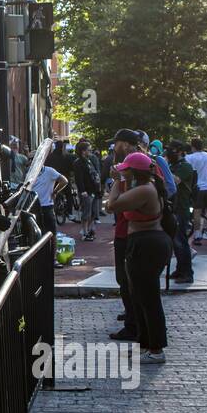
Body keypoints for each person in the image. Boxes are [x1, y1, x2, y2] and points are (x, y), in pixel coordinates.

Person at [105, 151, 171, 362]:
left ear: (134, 173)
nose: (123, 175)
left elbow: (111, 205)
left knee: (148, 297)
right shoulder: (144, 187)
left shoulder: (144, 189)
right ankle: (145, 344)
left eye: (127, 172)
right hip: (142, 242)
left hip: (147, 243)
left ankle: (156, 349)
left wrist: (117, 181)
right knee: (139, 297)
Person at [106, 129, 143, 340]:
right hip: (126, 229)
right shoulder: (132, 165)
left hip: (129, 231)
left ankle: (134, 325)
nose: (114, 148)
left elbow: (114, 203)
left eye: (117, 143)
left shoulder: (133, 165)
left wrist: (117, 182)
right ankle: (133, 321)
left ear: (127, 144)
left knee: (128, 280)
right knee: (127, 280)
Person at [166, 141, 197, 282]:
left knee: (180, 241)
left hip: (181, 208)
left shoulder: (185, 166)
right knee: (175, 241)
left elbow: (174, 181)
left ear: (179, 151)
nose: (168, 153)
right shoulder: (172, 166)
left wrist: (163, 168)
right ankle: (180, 269)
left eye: (171, 150)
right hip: (173, 207)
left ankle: (187, 273)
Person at [31, 157, 67, 240]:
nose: (31, 161)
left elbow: (64, 181)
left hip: (46, 206)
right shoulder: (29, 172)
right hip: (33, 207)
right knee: (36, 236)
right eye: (30, 159)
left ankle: (52, 252)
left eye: (32, 159)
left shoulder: (49, 171)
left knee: (51, 234)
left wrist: (55, 191)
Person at [73, 139, 102, 242]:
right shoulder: (78, 163)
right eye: (88, 150)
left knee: (94, 212)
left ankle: (89, 230)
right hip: (86, 191)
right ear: (83, 151)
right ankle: (84, 232)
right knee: (86, 213)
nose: (90, 151)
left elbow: (94, 173)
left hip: (93, 189)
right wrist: (82, 190)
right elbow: (79, 178)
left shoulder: (89, 160)